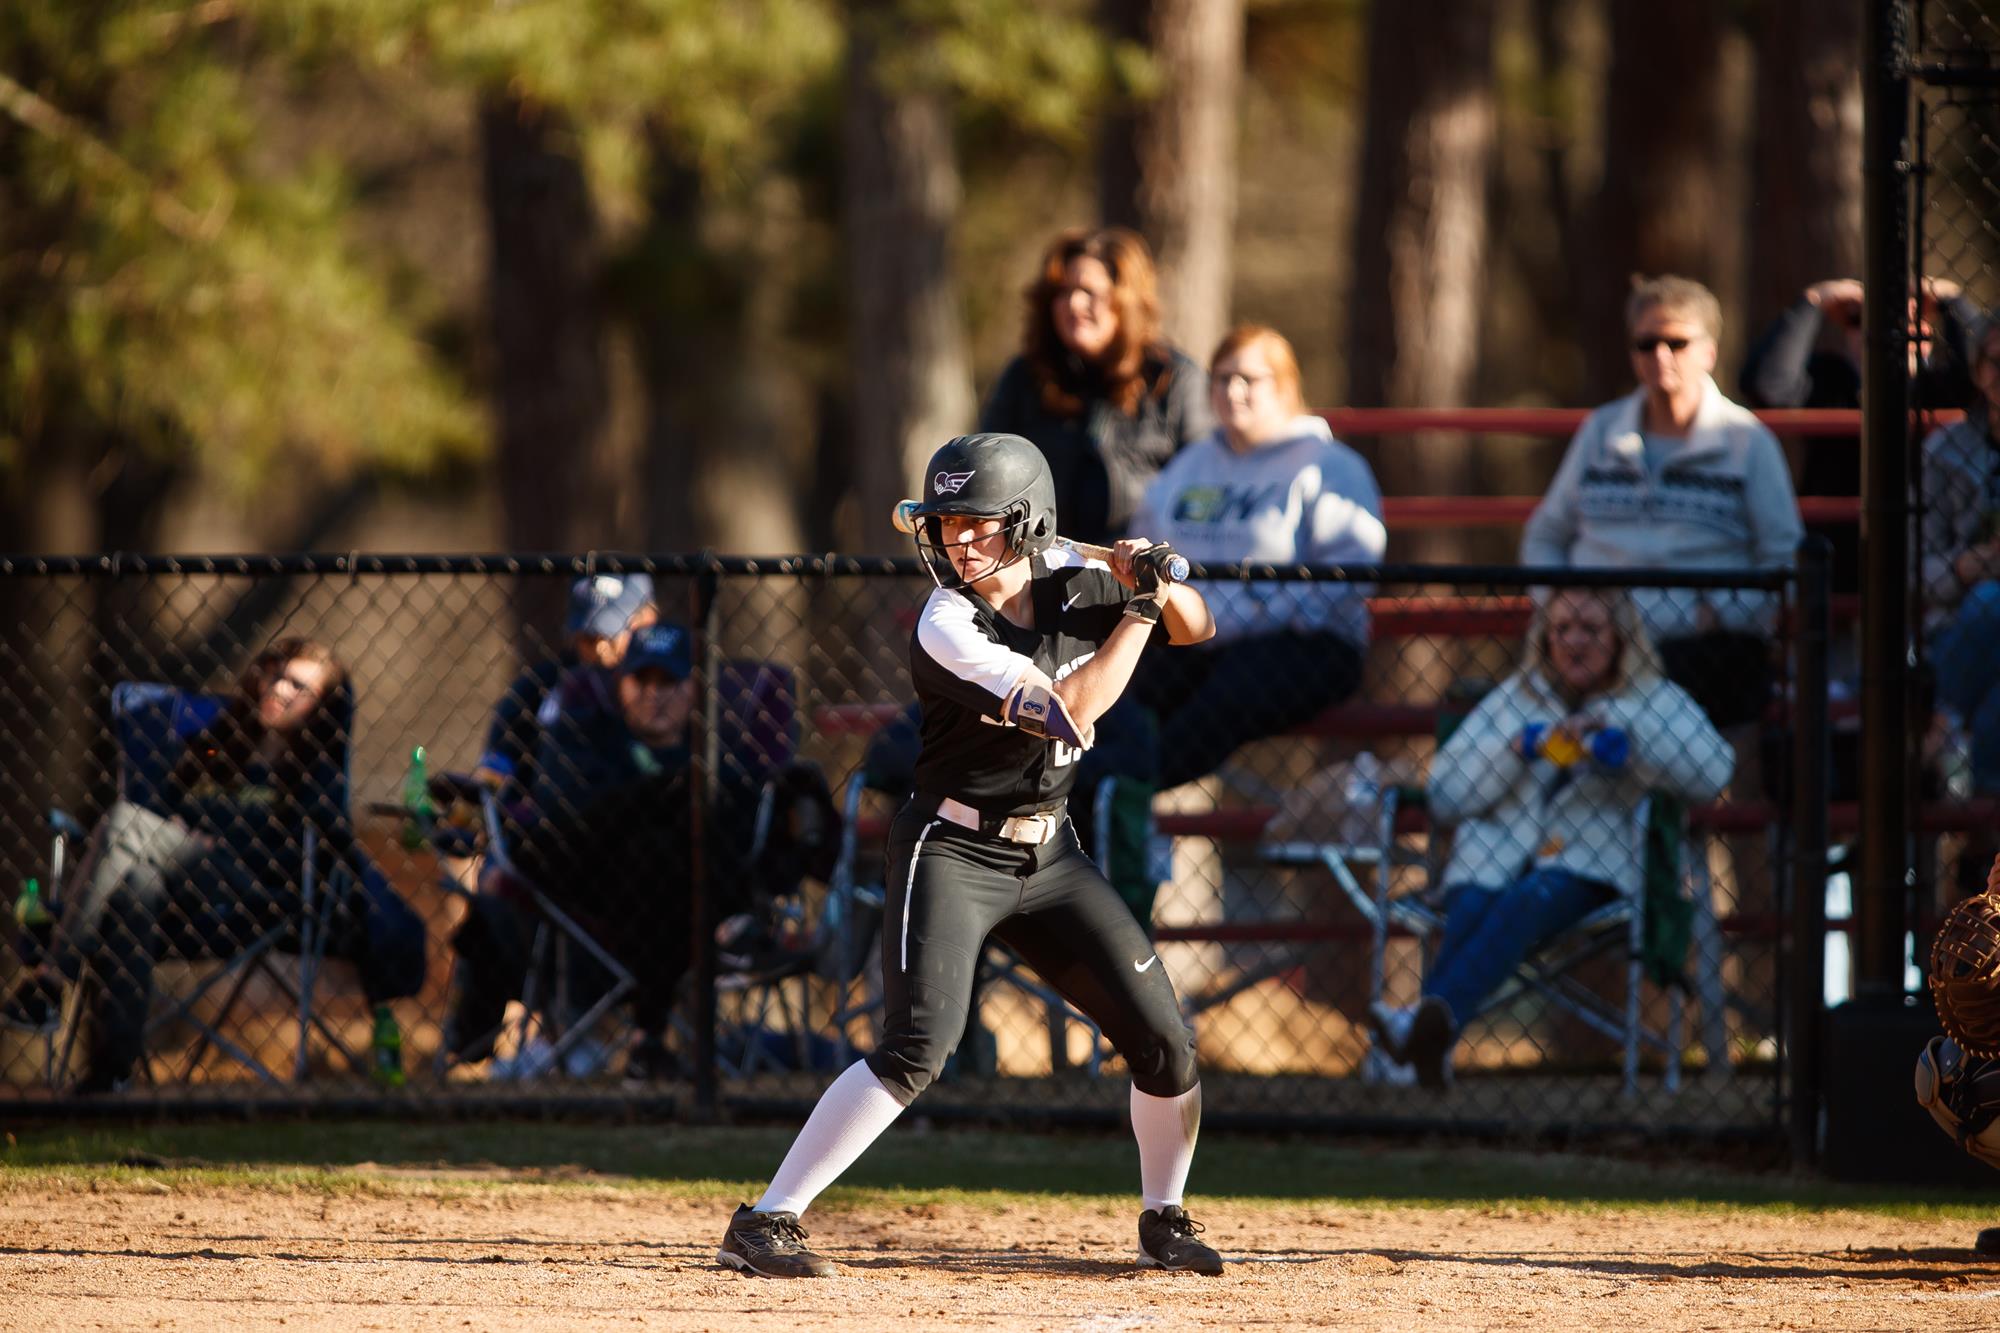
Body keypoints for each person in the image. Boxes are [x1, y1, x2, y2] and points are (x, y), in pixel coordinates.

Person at [716, 432, 1226, 1278]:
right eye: (946, 525)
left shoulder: (1074, 581)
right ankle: (767, 1218)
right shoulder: (948, 622)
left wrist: (1157, 577)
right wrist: (1139, 607)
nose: (955, 542)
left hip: (1051, 853)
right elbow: (1068, 706)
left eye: (976, 525)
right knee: (919, 1045)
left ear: (1028, 527)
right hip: (950, 846)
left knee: (1166, 1041)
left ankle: (1164, 1216)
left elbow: (1200, 625)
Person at [1, 638, 427, 1092]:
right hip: (179, 882)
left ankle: (51, 977)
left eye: (300, 688)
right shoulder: (213, 742)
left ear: (321, 708)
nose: (281, 691)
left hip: (257, 892)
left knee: (125, 821)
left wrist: (211, 832)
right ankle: (111, 1075)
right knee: (135, 886)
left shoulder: (312, 772)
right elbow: (162, 809)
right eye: (278, 675)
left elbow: (319, 841)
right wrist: (182, 833)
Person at [1365, 589, 1734, 1091]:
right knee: (1472, 902)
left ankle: (1415, 1032)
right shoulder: (1517, 696)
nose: (1574, 643)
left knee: (1525, 903)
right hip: (1495, 860)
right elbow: (1447, 795)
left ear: (1622, 639)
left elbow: (1714, 770)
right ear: (1544, 637)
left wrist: (1624, 738)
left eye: (1590, 630)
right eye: (1561, 630)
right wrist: (1519, 748)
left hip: (1591, 865)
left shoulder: (1652, 698)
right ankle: (1425, 1047)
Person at [1522, 274, 1803, 729]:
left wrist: (1721, 616)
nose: (1660, 357)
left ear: (1709, 352)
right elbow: (1546, 534)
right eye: (1646, 343)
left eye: (1676, 342)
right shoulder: (1600, 432)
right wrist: (1561, 607)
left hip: (1701, 649)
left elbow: (1784, 554)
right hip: (1595, 642)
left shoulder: (1747, 441)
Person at [1127, 323, 1385, 791]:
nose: (1232, 391)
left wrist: (1249, 619)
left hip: (1302, 644)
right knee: (1127, 691)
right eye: (1221, 379)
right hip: (1195, 637)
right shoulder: (1192, 466)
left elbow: (1352, 573)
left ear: (1285, 387)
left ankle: (1128, 791)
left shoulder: (1328, 466)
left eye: (1249, 378)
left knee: (1225, 696)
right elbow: (1146, 537)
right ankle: (1094, 801)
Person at [446, 622, 702, 1082]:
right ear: (621, 686)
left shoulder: (711, 758)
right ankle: (505, 1039)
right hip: (586, 897)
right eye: (642, 681)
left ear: (693, 690)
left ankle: (641, 1042)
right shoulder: (590, 742)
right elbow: (563, 829)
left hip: (684, 914)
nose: (655, 695)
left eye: (669, 683)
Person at [1740, 276, 1977, 605]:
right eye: (1860, 320)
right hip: (1840, 561)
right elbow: (1767, 384)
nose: (1889, 334)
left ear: (1929, 332)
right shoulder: (1829, 380)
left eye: (1910, 322)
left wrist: (1952, 301)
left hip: (1925, 563)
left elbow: (1984, 377)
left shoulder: (1941, 386)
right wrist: (1814, 302)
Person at [978, 226, 1213, 549]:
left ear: (1125, 300)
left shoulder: (1172, 378)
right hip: (1041, 568)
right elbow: (985, 475)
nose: (1073, 304)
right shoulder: (1026, 377)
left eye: (1089, 292)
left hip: (1140, 571)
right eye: (1063, 292)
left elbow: (1206, 484)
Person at [474, 572, 659, 799]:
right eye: (588, 637)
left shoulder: (679, 689)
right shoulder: (538, 689)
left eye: (612, 635)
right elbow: (493, 777)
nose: (600, 649)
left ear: (648, 619)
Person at [1920, 318, 2000, 795]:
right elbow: (1915, 571)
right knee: (1991, 603)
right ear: (1977, 370)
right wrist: (1964, 567)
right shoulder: (1944, 452)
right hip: (1956, 625)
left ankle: (1943, 728)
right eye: (1996, 362)